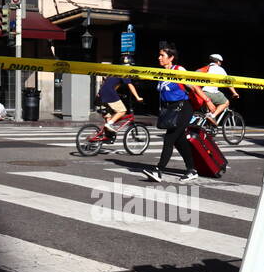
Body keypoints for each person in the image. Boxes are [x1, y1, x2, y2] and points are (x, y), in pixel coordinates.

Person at [143, 44, 198, 183]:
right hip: (171, 110)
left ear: (171, 58)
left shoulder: (179, 70)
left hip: (183, 108)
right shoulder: (161, 74)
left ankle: (158, 170)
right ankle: (191, 170)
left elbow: (194, 86)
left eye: (162, 55)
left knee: (169, 139)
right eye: (159, 55)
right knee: (180, 141)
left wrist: (208, 101)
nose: (159, 57)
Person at [96, 63, 141, 132]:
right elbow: (130, 85)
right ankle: (109, 125)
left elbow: (112, 85)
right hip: (109, 93)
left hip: (101, 93)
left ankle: (107, 136)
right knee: (122, 111)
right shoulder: (124, 72)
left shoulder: (115, 71)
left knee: (109, 116)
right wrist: (137, 97)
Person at [197, 53, 238, 123]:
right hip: (210, 92)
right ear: (218, 61)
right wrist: (234, 93)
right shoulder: (219, 69)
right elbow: (228, 82)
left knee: (209, 111)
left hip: (200, 93)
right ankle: (213, 116)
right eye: (220, 62)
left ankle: (209, 126)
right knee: (226, 102)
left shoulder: (204, 68)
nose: (221, 63)